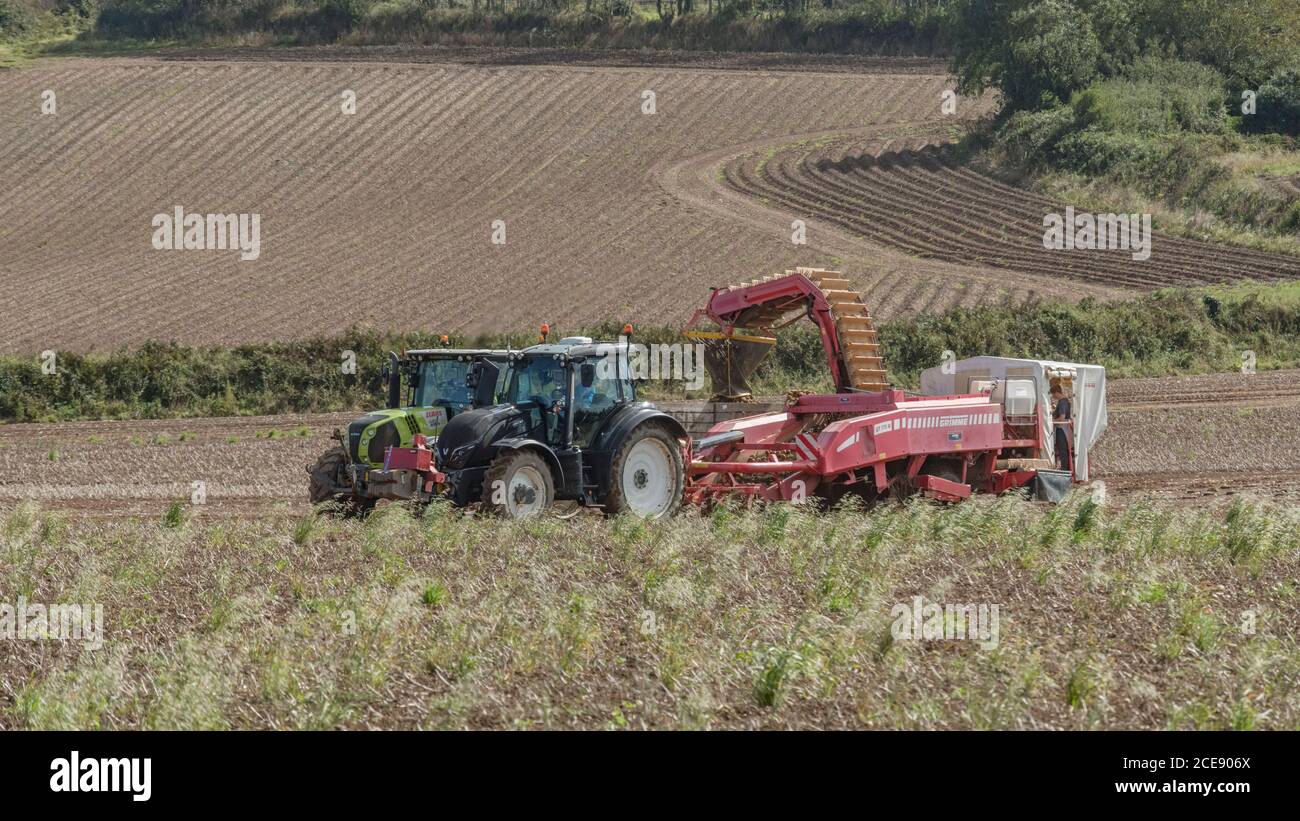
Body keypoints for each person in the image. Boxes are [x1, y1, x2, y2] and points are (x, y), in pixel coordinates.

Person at [1051, 385, 1072, 472]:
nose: (1053, 397)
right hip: (1064, 428)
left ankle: (1064, 469)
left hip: (1062, 428)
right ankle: (1064, 467)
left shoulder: (1062, 402)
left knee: (1062, 448)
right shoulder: (1065, 401)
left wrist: (1052, 420)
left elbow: (1062, 417)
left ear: (1056, 392)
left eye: (1053, 394)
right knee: (1062, 448)